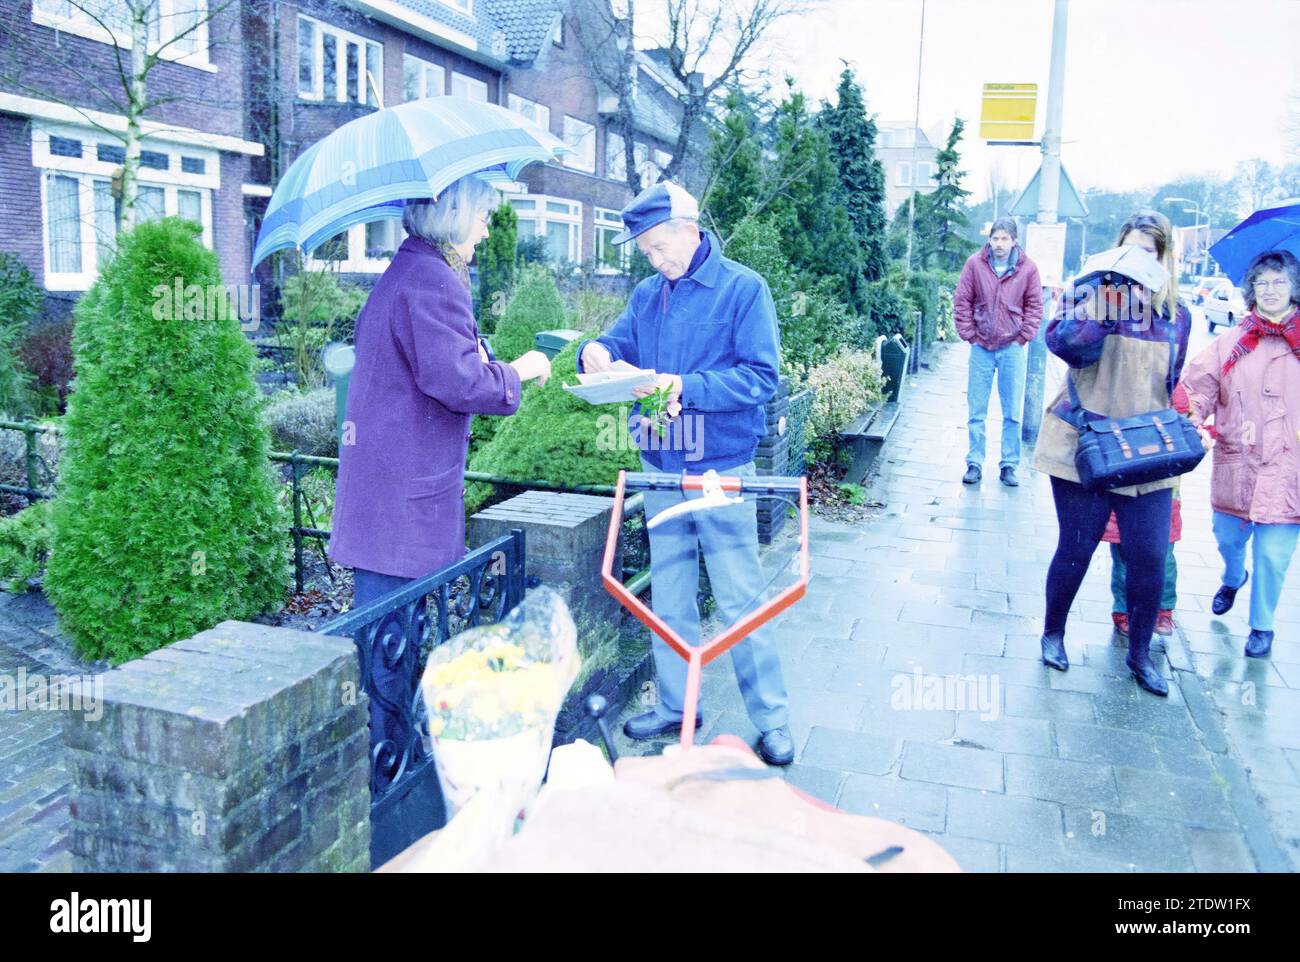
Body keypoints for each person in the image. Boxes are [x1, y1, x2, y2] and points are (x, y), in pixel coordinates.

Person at [328, 175, 552, 753]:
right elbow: (460, 381)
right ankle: (388, 771)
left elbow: (444, 362)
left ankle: (388, 757)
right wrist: (521, 370)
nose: (486, 225)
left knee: (388, 639)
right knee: (387, 644)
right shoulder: (430, 280)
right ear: (452, 212)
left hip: (385, 497)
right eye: (481, 213)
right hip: (402, 504)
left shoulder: (414, 272)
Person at [576, 181, 794, 766]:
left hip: (720, 468)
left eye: (656, 247)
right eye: (645, 252)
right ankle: (676, 706)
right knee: (668, 595)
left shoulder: (744, 290)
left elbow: (760, 379)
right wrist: (592, 351)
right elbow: (615, 344)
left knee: (741, 597)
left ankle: (771, 718)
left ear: (689, 230)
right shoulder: (650, 295)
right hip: (659, 464)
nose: (653, 261)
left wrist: (684, 388)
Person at [1033, 210, 1191, 696]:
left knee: (1149, 556)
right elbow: (1062, 343)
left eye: (1149, 251)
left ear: (1164, 260)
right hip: (1084, 444)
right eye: (1130, 249)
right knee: (1077, 547)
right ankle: (1053, 632)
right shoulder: (1089, 295)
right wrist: (1107, 300)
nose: (1138, 260)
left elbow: (1170, 382)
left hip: (1145, 452)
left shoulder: (1176, 316)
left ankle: (1140, 655)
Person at [1181, 249, 1300, 659]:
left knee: (1273, 553)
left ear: (1294, 288)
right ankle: (1233, 577)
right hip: (1239, 461)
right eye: (1262, 283)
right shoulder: (1231, 342)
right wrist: (1191, 419)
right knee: (1228, 539)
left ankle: (1261, 626)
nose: (1270, 290)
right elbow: (1197, 388)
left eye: (1279, 282)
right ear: (1251, 290)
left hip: (1290, 467)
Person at [953, 217, 1044, 487]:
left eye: (1005, 239)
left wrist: (1024, 336)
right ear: (989, 239)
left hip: (1012, 348)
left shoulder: (1028, 269)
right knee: (976, 410)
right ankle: (974, 463)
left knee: (1012, 412)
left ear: (1015, 240)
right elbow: (962, 300)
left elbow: (1035, 306)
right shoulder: (975, 264)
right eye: (995, 238)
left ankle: (1009, 465)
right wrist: (969, 334)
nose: (999, 244)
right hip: (981, 347)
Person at [1106, 384, 1191, 638]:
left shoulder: (1172, 385)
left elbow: (1185, 419)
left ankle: (1163, 610)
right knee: (1123, 557)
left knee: (1163, 556)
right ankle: (1123, 611)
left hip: (1164, 492)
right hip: (1123, 485)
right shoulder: (1117, 384)